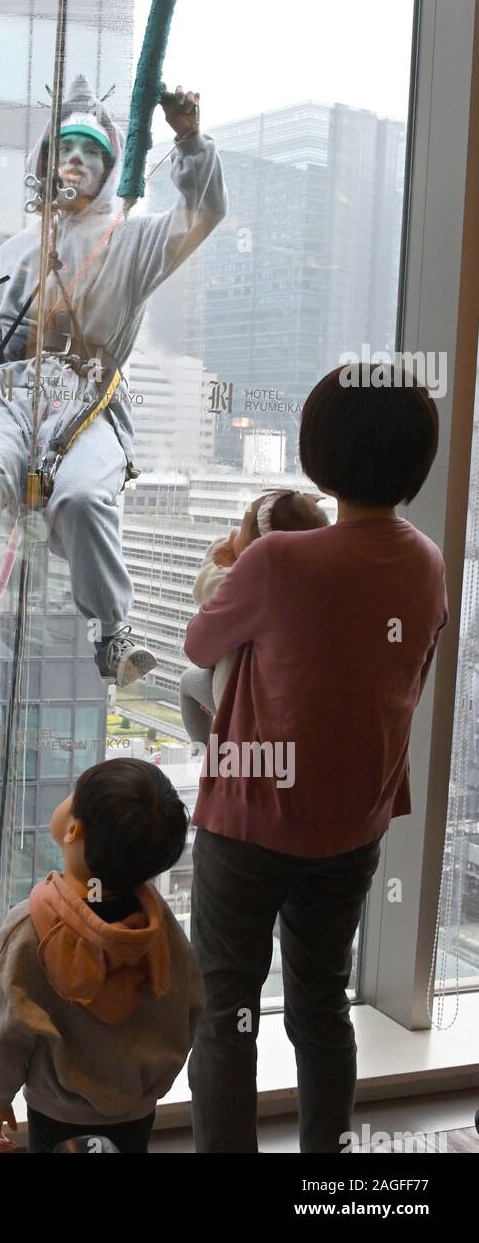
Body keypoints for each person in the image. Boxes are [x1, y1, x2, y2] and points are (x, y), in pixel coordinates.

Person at [183, 365, 447, 1153]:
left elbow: (201, 643)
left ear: (318, 451)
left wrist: (227, 561)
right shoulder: (426, 561)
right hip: (352, 828)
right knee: (321, 1006)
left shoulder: (279, 560)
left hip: (249, 822)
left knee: (227, 1014)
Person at [0, 75, 227, 688]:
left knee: (82, 496)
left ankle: (112, 629)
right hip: (9, 392)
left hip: (87, 395)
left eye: (91, 153)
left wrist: (190, 139)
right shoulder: (16, 249)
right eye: (65, 150)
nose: (75, 160)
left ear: (109, 171)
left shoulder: (132, 240)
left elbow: (202, 213)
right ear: (43, 165)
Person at [0, 757, 204, 1153]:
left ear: (74, 829)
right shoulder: (160, 930)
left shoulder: (30, 930)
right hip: (136, 1109)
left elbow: (3, 1030)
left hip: (57, 1111)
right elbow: (189, 1005)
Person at [179, 489, 330, 745]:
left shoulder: (255, 581)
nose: (233, 534)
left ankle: (202, 748)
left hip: (244, 702)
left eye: (240, 529)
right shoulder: (314, 582)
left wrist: (216, 555)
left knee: (188, 682)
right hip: (297, 705)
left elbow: (204, 591)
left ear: (257, 551)